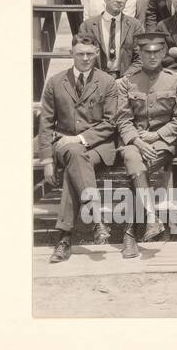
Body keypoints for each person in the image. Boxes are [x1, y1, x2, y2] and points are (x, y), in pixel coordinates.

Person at [38, 33, 120, 263]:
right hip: (63, 144)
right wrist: (46, 161)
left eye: (90, 54)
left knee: (75, 161)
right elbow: (45, 124)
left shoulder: (106, 82)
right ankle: (95, 218)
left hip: (98, 146)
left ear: (96, 54)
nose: (85, 59)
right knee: (74, 154)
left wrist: (81, 138)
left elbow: (110, 123)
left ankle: (64, 238)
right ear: (70, 54)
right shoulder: (55, 82)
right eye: (80, 54)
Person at [113, 31, 177, 257]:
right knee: (131, 156)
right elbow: (123, 119)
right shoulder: (128, 82)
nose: (153, 56)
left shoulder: (175, 79)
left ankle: (130, 235)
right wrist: (136, 139)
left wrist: (156, 137)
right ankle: (152, 218)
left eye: (157, 51)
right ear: (140, 53)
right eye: (147, 52)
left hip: (164, 143)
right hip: (136, 141)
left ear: (164, 52)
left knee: (133, 171)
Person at [78, 0, 142, 78]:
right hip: (96, 80)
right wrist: (100, 79)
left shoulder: (135, 25)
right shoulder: (88, 26)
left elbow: (140, 58)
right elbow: (82, 57)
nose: (119, 0)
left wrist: (126, 77)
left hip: (126, 81)